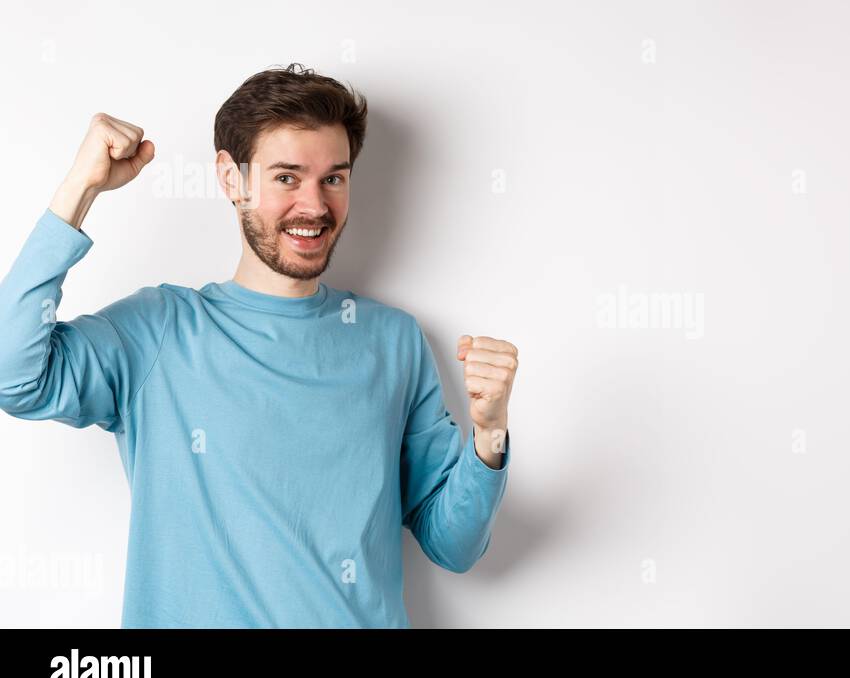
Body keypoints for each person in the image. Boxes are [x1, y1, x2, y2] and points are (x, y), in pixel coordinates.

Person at [0, 63, 519, 628]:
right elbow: (15, 377)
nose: (315, 206)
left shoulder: (394, 341)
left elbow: (454, 546)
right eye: (287, 178)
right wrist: (79, 190)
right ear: (232, 178)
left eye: (334, 178)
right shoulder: (159, 330)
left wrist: (489, 433)